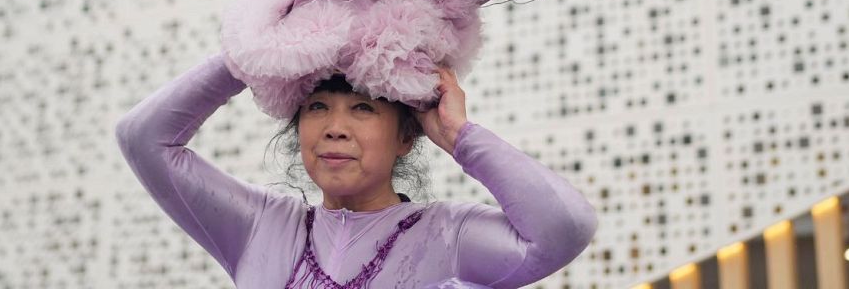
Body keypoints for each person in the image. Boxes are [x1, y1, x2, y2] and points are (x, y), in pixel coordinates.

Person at [115, 53, 597, 288]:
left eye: (363, 109)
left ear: (406, 136)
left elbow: (565, 228)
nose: (335, 128)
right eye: (318, 107)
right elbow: (144, 138)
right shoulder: (258, 225)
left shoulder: (448, 233)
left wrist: (459, 138)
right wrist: (252, 54)